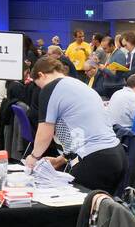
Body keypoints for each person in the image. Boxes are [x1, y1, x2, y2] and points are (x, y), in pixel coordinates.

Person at [25, 55, 126, 191]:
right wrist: (61, 159)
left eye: (39, 85)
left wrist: (33, 157)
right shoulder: (77, 84)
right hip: (115, 153)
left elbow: (45, 133)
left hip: (94, 159)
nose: (40, 90)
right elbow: (80, 130)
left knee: (77, 209)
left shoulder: (50, 88)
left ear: (41, 75)